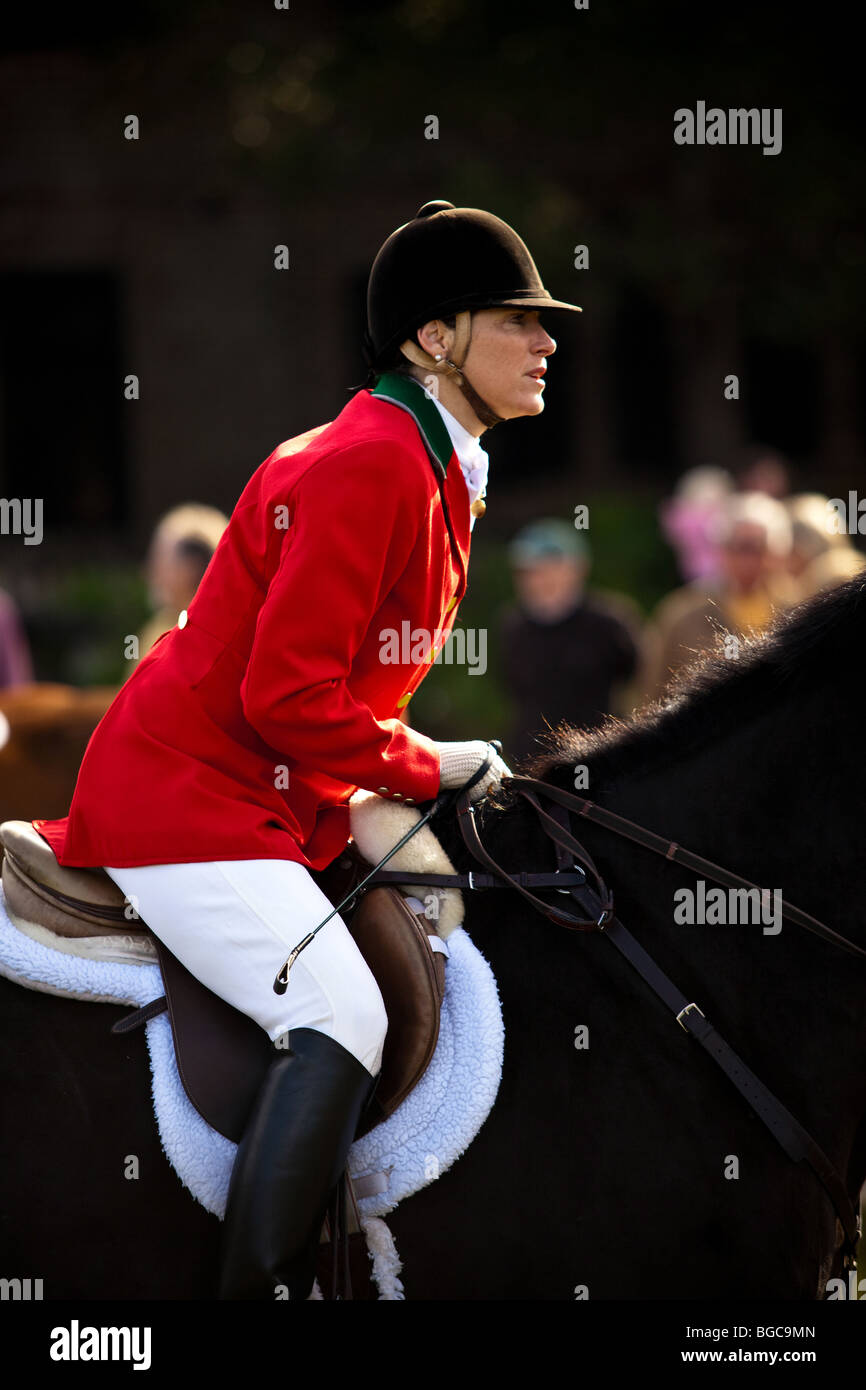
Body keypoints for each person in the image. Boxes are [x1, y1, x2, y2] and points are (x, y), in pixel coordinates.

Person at [32, 199, 581, 1300]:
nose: (546, 340)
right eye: (516, 318)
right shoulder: (371, 459)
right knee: (340, 1012)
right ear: (434, 338)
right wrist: (428, 763)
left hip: (277, 799)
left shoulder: (424, 459)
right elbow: (287, 697)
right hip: (187, 798)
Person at [499, 519, 640, 759]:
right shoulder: (513, 626)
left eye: (551, 568)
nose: (540, 579)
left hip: (599, 755)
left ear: (577, 569)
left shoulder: (609, 623)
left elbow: (638, 678)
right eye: (531, 572)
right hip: (531, 759)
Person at [642, 491, 797, 699]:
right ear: (722, 551)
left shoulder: (796, 613)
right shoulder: (682, 616)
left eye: (758, 549)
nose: (748, 560)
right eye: (740, 548)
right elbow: (653, 696)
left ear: (777, 553)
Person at [133, 504, 228, 670]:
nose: (148, 572)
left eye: (158, 559)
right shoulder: (159, 627)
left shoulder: (167, 637)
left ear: (191, 568)